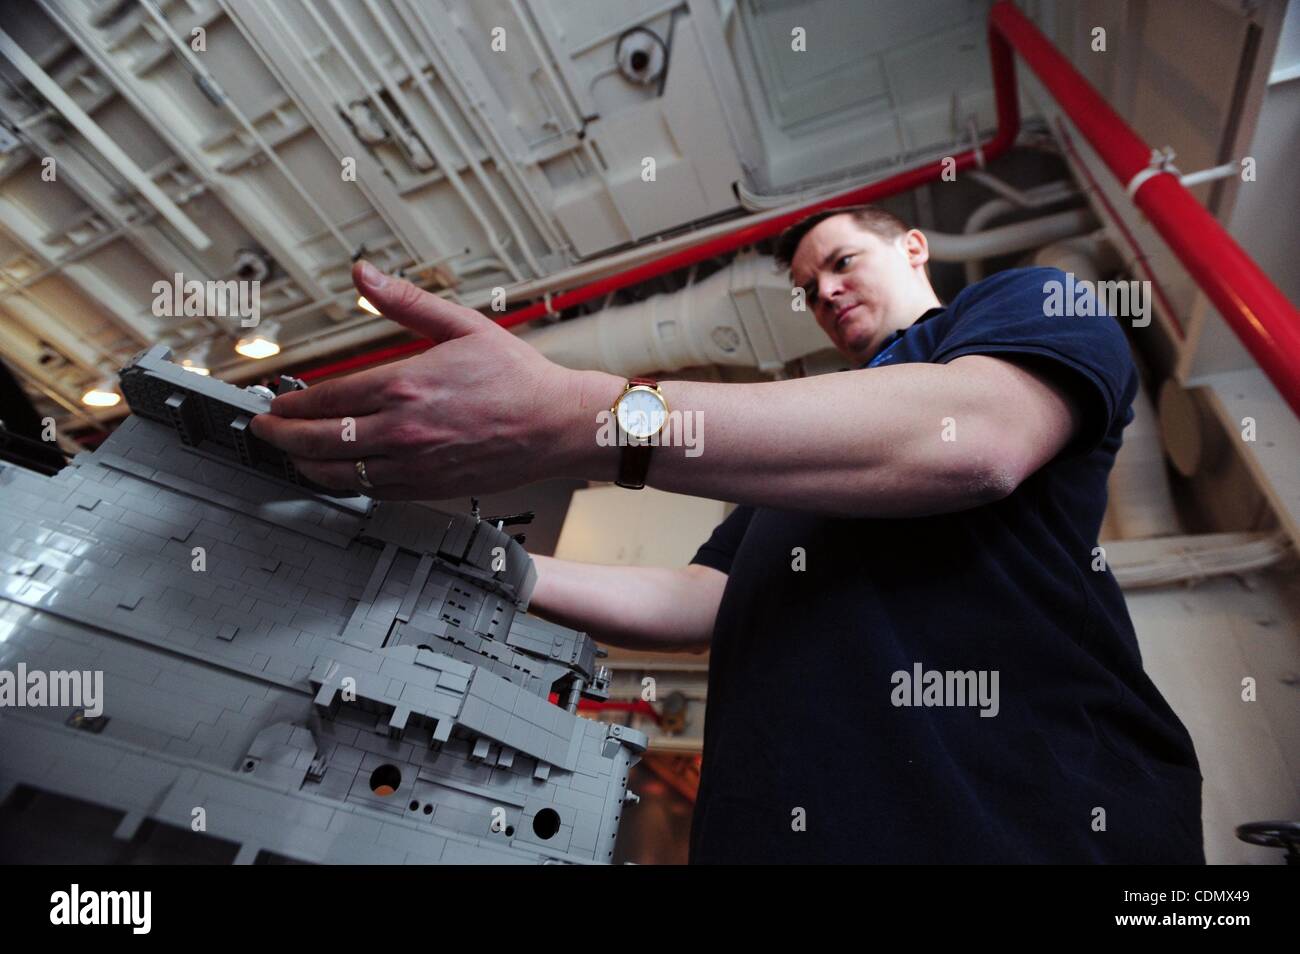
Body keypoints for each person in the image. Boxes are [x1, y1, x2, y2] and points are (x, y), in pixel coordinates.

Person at [249, 204, 1205, 864]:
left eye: (842, 262)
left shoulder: (1033, 304)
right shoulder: (806, 459)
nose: (824, 291)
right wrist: (474, 560)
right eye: (806, 284)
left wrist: (580, 416)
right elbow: (698, 600)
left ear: (915, 247)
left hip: (1023, 824)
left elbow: (977, 439)